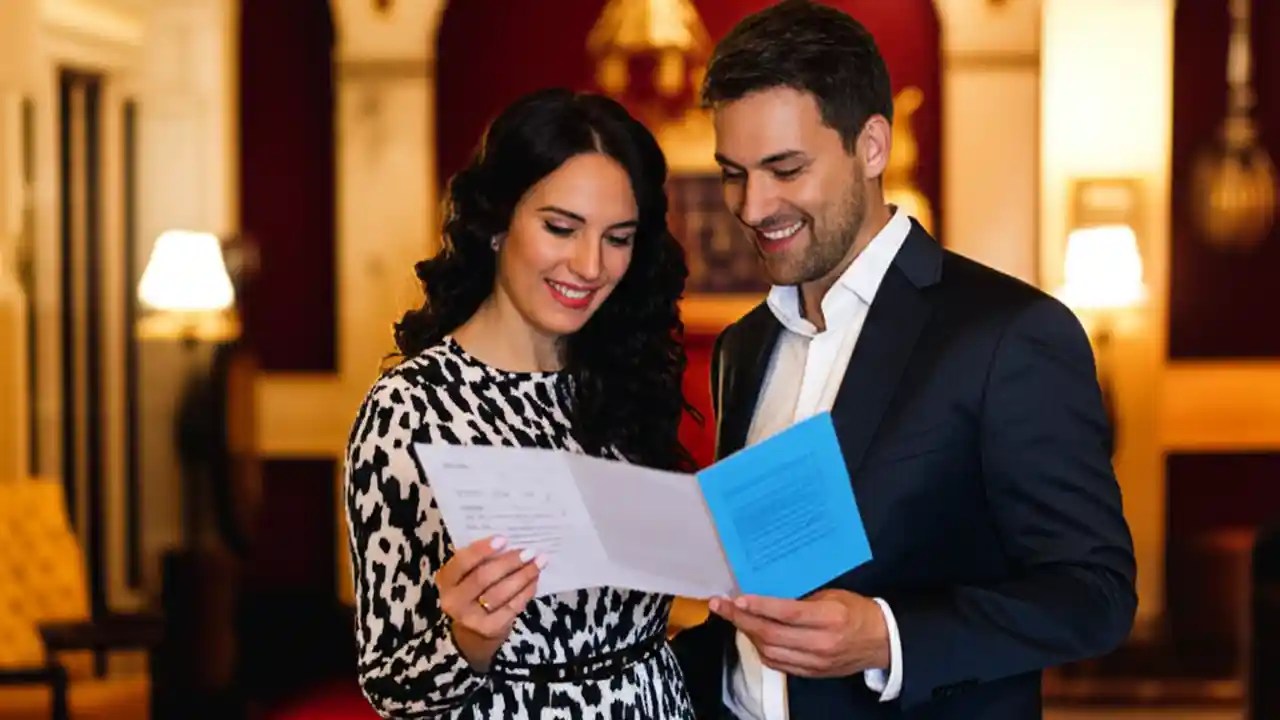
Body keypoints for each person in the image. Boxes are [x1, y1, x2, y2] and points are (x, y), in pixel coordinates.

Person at [671, 2, 1138, 718]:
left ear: (872, 147)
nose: (753, 205)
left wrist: (887, 637)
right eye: (733, 173)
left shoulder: (1011, 334)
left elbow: (1095, 596)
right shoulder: (745, 346)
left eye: (785, 168)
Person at [343, 88, 700, 719]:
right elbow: (389, 684)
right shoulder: (410, 410)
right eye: (561, 228)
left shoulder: (621, 376)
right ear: (498, 222)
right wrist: (467, 642)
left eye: (618, 237)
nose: (590, 265)